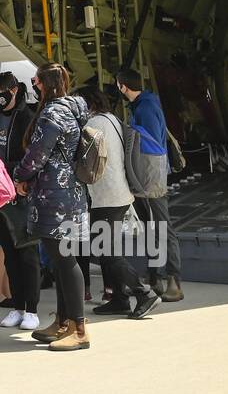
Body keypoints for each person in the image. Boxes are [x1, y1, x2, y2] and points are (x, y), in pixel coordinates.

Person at [15, 62, 92, 351]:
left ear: (45, 83)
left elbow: (37, 154)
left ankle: (79, 329)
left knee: (63, 260)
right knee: (61, 260)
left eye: (35, 81)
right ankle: (63, 322)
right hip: (70, 193)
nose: (34, 86)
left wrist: (19, 177)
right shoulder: (73, 109)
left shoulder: (53, 113)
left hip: (54, 196)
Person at [75, 87, 162, 318]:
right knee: (106, 250)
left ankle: (144, 293)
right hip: (117, 194)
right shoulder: (111, 119)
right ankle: (120, 299)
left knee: (107, 251)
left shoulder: (93, 125)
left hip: (107, 197)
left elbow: (83, 158)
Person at [0, 71, 41, 332]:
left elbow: (33, 156)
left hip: (21, 192)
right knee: (9, 255)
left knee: (26, 253)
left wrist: (12, 173)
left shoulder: (28, 117)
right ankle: (17, 306)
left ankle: (32, 310)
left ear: (14, 90)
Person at [116, 67, 184, 301]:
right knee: (153, 229)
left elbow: (153, 146)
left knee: (163, 227)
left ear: (122, 86)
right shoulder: (144, 104)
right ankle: (155, 276)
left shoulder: (144, 108)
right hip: (146, 177)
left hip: (151, 177)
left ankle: (173, 280)